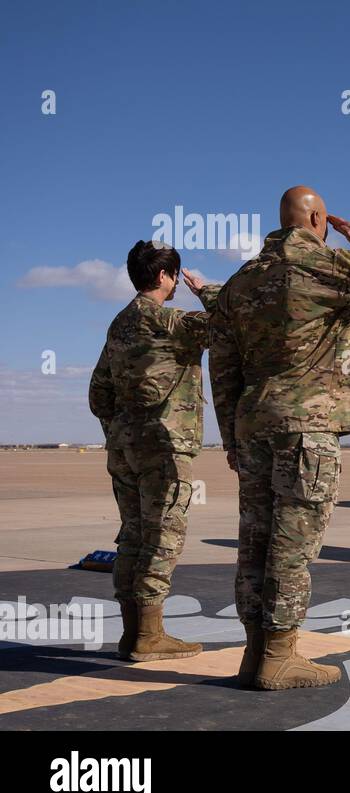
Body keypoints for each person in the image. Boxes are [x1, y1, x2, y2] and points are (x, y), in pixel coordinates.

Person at [210, 186, 350, 690]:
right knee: (292, 544)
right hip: (307, 426)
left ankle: (255, 653)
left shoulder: (239, 282)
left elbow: (222, 367)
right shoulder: (321, 262)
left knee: (255, 543)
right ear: (319, 218)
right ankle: (280, 656)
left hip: (253, 424)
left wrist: (232, 440)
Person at [88, 240, 222, 661]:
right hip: (164, 446)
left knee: (133, 534)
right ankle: (149, 636)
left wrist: (122, 428)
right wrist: (207, 292)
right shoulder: (172, 322)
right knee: (163, 536)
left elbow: (98, 393)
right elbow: (233, 324)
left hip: (123, 447)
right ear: (165, 277)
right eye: (175, 276)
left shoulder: (119, 324)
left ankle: (133, 633)